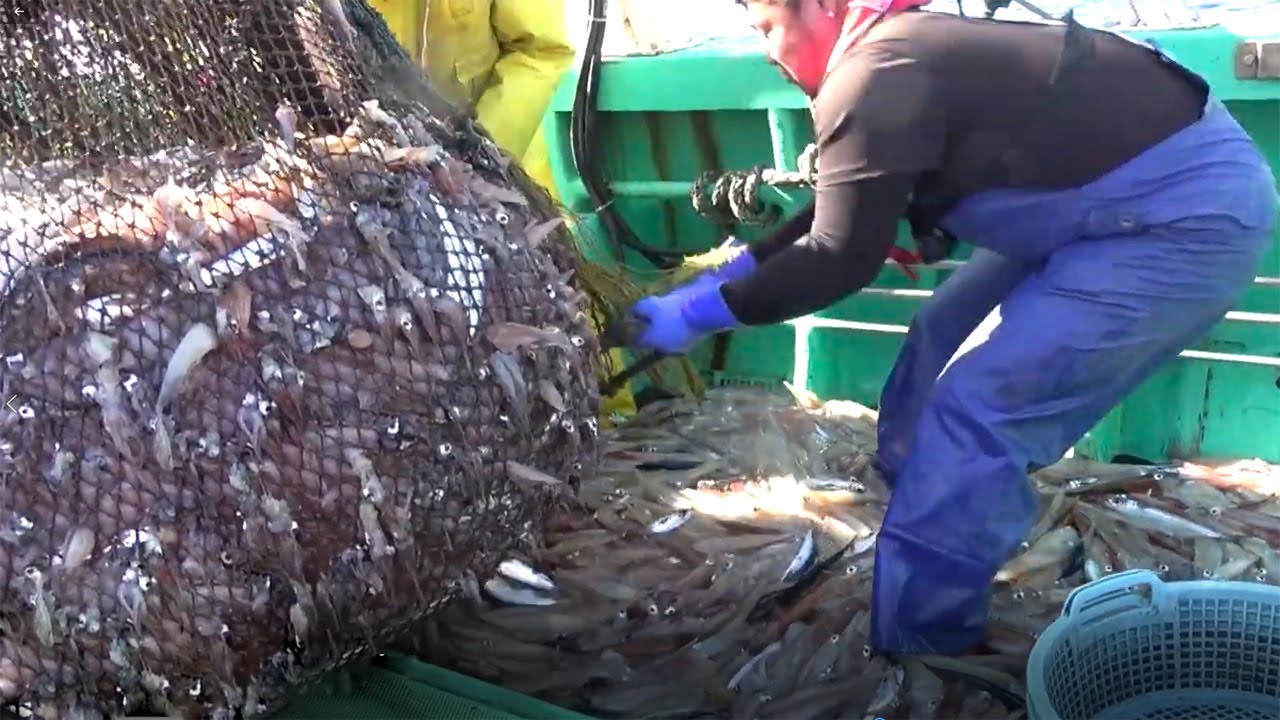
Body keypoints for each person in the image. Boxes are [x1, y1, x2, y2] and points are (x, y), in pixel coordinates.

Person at [629, 0, 1279, 656]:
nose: (767, 51)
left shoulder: (874, 70)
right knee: (940, 329)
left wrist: (701, 314)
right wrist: (736, 269)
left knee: (977, 412)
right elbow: (833, 208)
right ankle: (912, 493)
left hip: (1182, 219)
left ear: (825, 6)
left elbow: (838, 257)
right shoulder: (888, 53)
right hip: (1100, 203)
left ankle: (924, 645)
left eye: (769, 27)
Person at [370, 0, 640, 424]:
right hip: (368, 183)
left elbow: (542, 50)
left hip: (499, 159)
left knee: (558, 297)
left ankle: (606, 417)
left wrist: (474, 154)